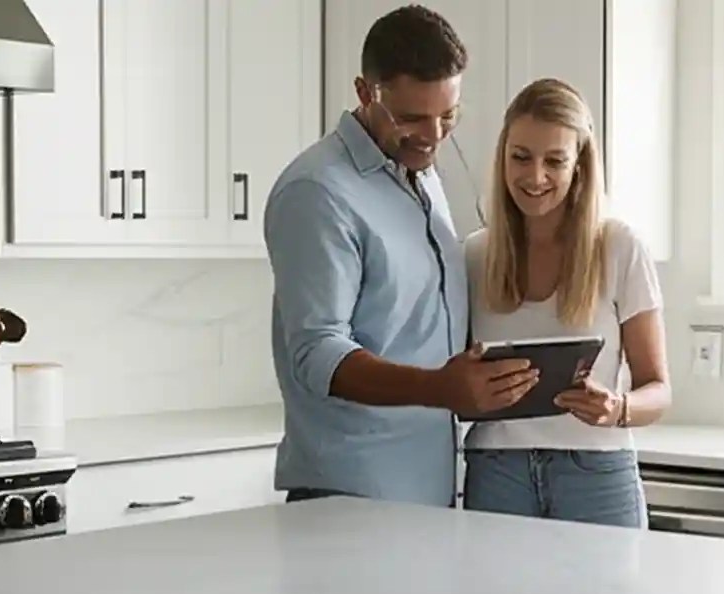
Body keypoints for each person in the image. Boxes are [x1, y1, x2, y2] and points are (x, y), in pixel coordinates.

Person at [263, 5, 538, 506]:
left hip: (427, 488)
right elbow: (317, 353)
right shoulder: (317, 192)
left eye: (448, 115)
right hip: (348, 495)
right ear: (366, 92)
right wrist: (440, 389)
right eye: (412, 117)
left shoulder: (420, 175)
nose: (433, 136)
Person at [462, 78, 672, 528]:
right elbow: (450, 376)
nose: (535, 177)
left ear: (579, 166)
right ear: (502, 156)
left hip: (596, 473)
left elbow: (658, 388)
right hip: (498, 470)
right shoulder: (473, 255)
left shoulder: (619, 247)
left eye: (555, 161)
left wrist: (618, 409)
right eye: (520, 157)